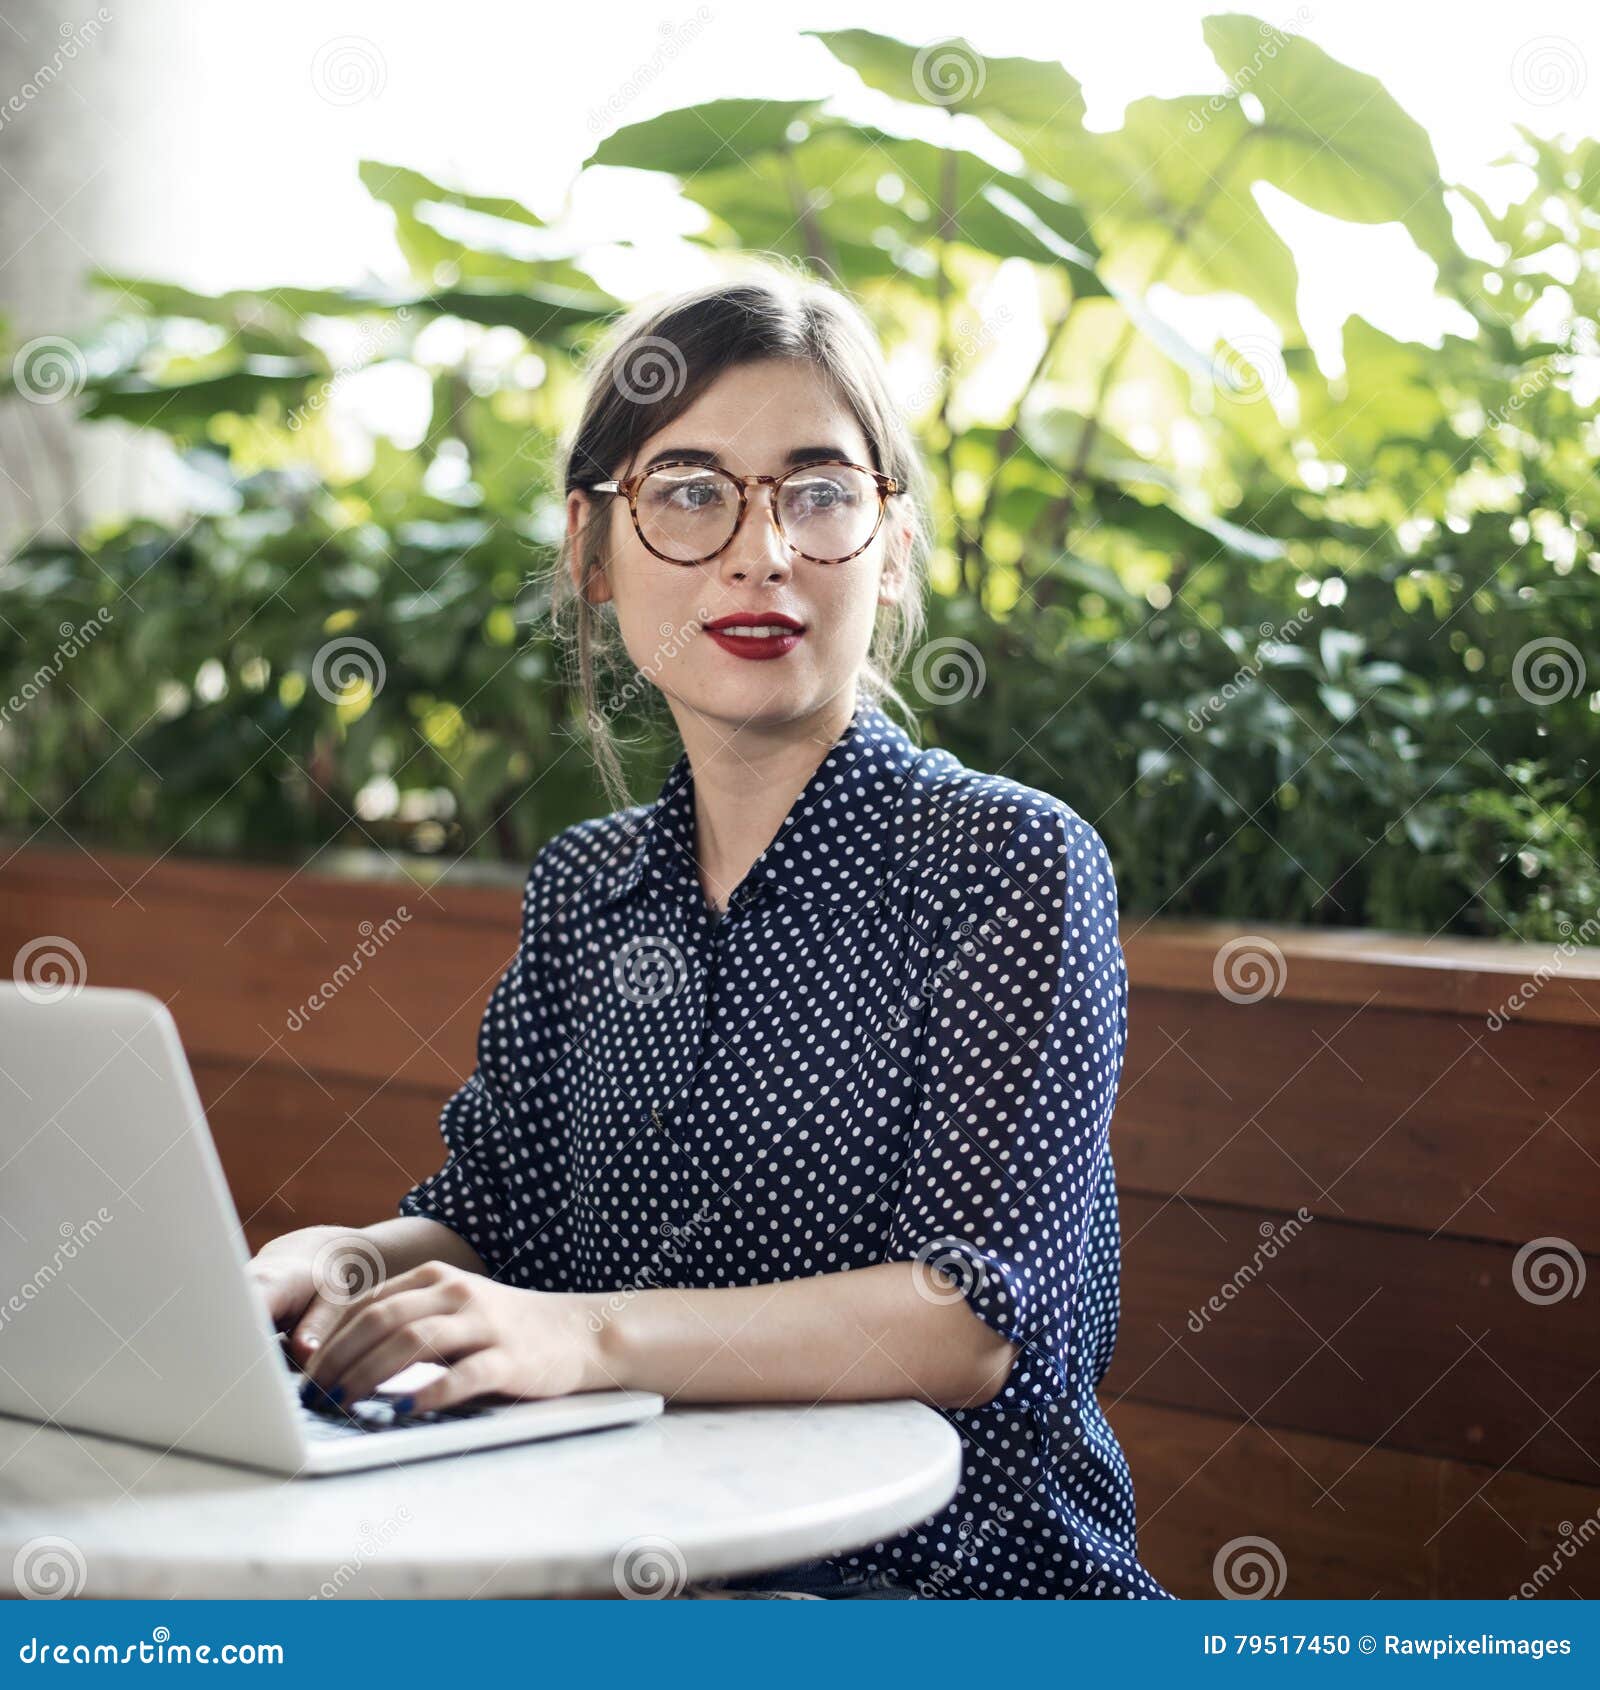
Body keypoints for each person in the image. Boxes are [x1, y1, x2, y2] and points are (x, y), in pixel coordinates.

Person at [249, 267, 1172, 1600]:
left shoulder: (1007, 860)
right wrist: (324, 1264)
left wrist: (584, 1337)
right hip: (634, 1575)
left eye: (820, 492)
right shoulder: (587, 886)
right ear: (592, 548)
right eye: (689, 492)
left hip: (947, 1603)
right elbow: (487, 1219)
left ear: (890, 547)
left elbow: (966, 1317)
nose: (762, 551)